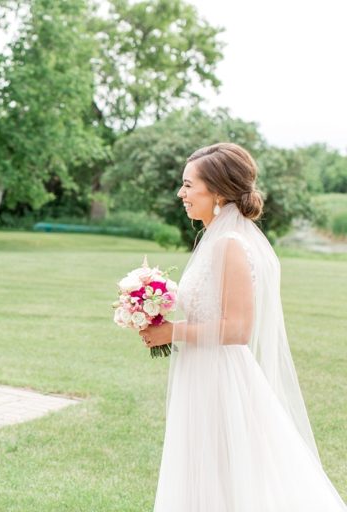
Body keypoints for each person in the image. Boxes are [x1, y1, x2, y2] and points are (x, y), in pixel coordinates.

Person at [140, 142, 347, 511]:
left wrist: (173, 331)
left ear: (217, 191)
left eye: (188, 185)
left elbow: (237, 329)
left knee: (228, 472)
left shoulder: (230, 244)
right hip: (200, 370)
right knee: (204, 471)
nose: (180, 193)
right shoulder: (214, 238)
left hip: (221, 378)